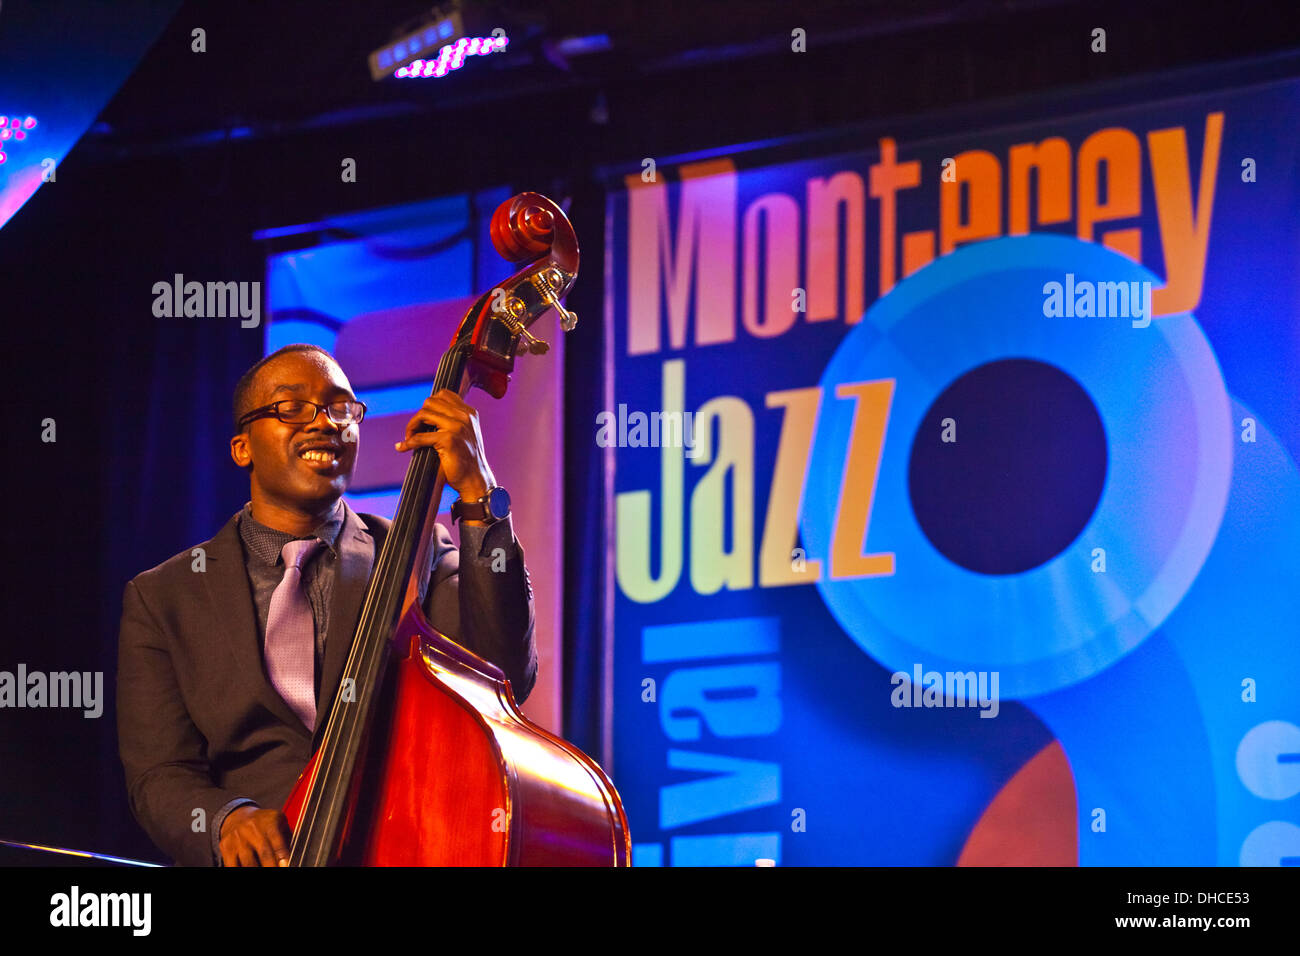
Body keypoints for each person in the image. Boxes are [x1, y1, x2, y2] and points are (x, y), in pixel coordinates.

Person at [116, 343, 536, 867]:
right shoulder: (162, 597)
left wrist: (479, 493)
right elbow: (160, 773)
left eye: (341, 408)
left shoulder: (419, 553)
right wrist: (225, 821)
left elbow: (506, 673)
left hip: (400, 845)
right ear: (241, 448)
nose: (325, 423)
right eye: (292, 408)